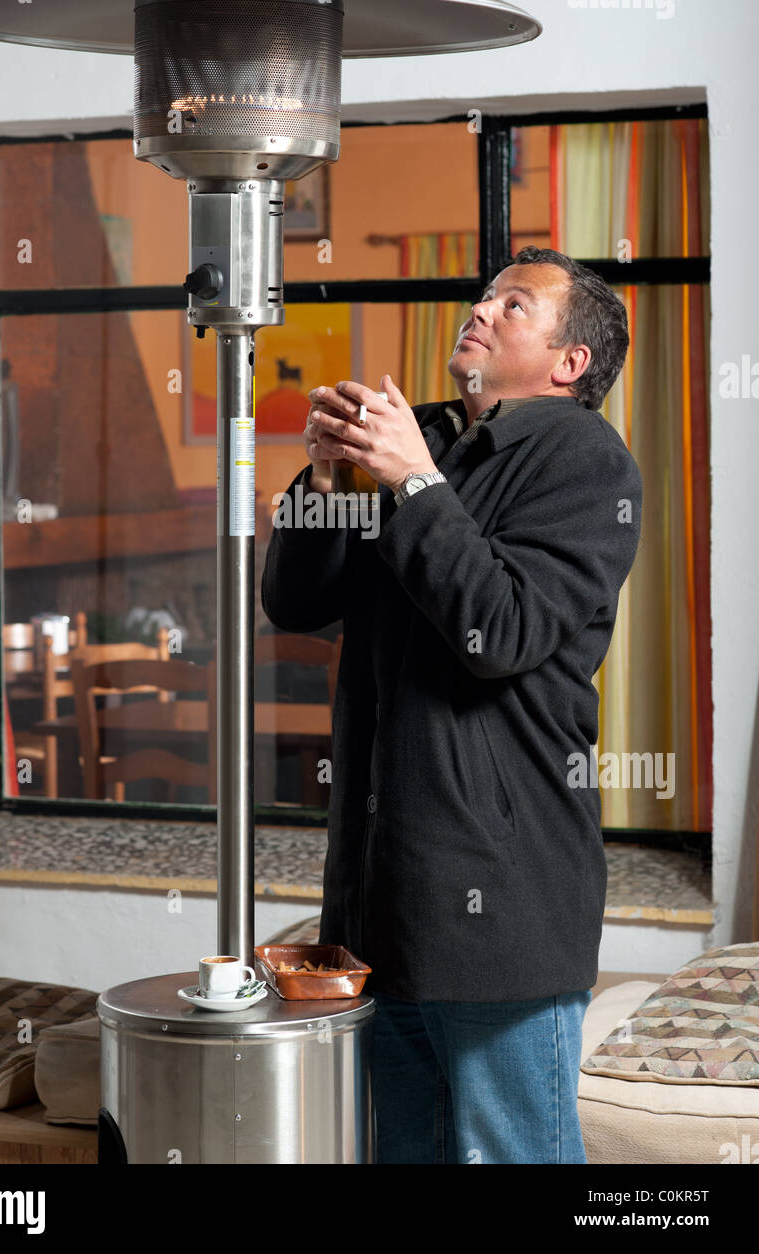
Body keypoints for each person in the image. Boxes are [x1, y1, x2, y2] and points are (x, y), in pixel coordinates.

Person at [260, 245, 643, 1164]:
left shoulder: (587, 464)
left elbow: (502, 630)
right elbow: (298, 606)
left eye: (513, 306)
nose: (481, 309)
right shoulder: (422, 439)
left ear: (568, 363)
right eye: (484, 296)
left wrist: (412, 481)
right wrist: (322, 480)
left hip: (501, 907)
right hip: (379, 902)